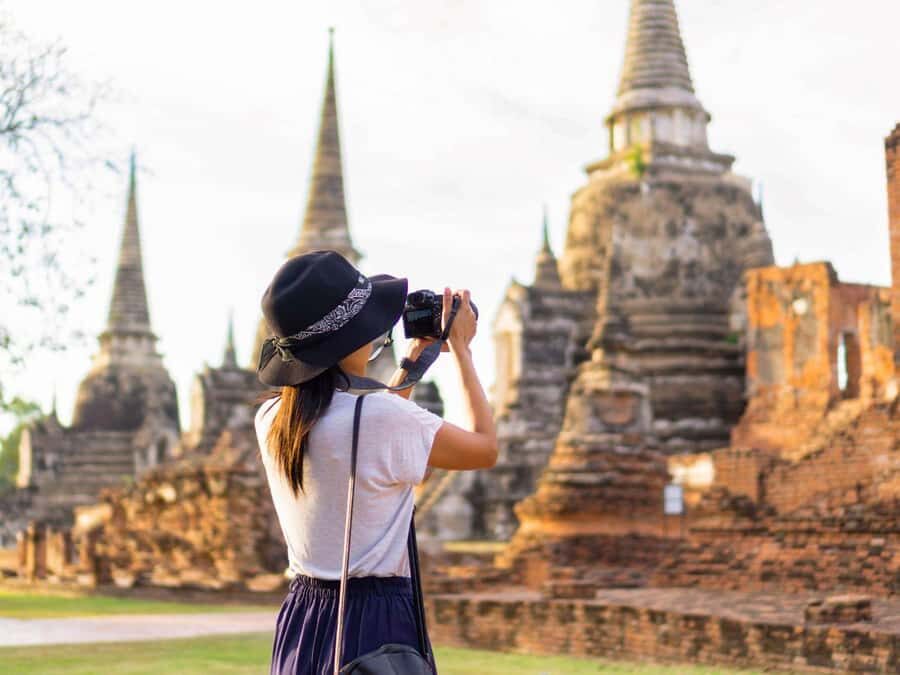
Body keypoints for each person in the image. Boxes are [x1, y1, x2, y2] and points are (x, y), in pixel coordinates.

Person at [254, 250, 497, 675]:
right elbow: (484, 448)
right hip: (374, 617)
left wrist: (412, 365)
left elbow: (362, 429)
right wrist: (461, 349)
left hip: (303, 614)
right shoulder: (383, 421)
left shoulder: (273, 418)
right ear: (352, 341)